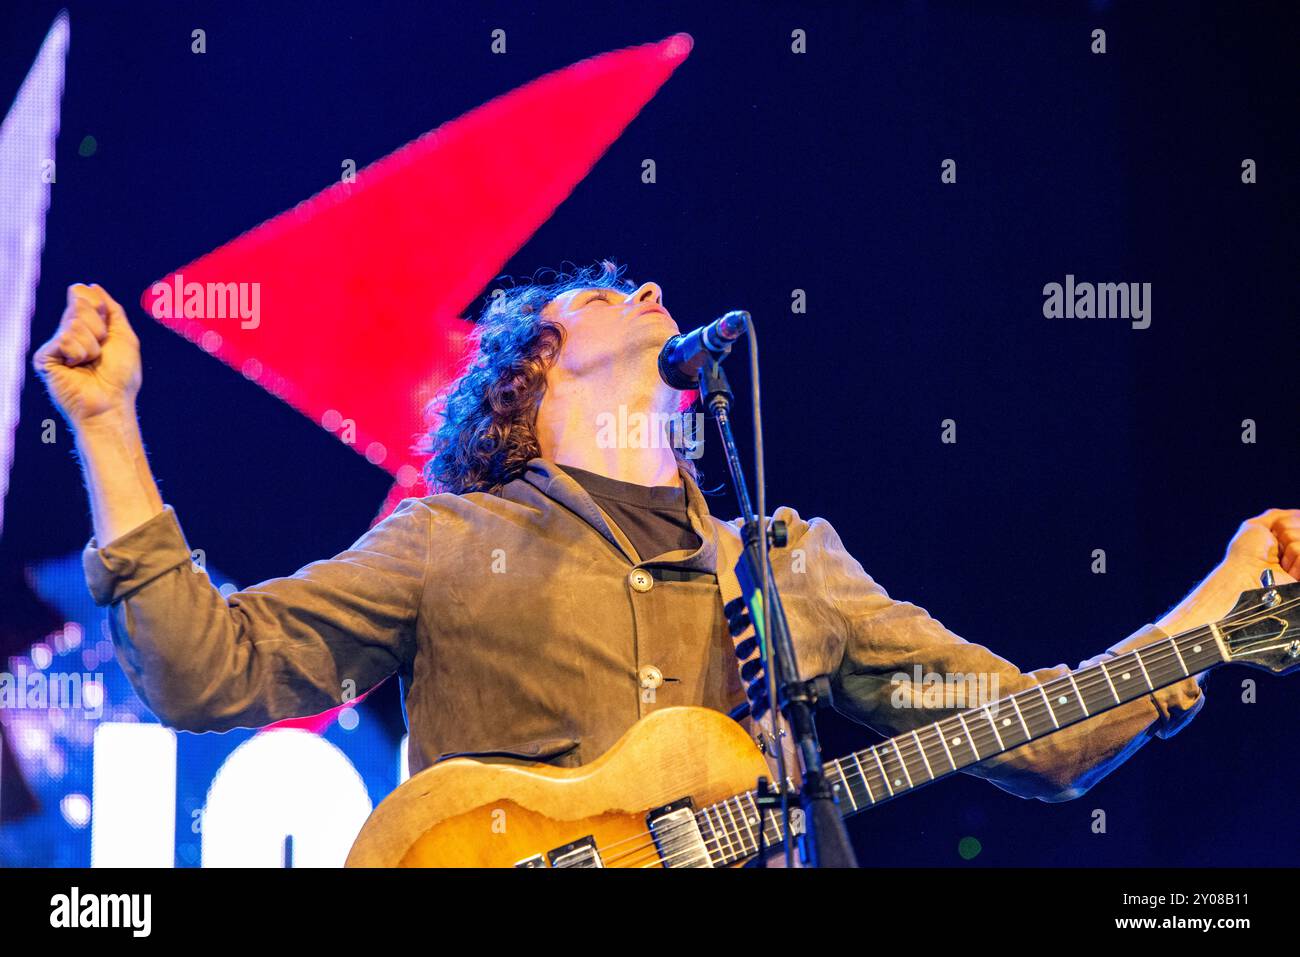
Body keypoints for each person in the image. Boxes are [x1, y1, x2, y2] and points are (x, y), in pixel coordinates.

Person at [32, 263, 1300, 811]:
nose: (647, 290)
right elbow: (208, 670)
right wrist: (108, 427)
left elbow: (1041, 737)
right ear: (530, 381)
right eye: (603, 292)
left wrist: (1221, 607)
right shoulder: (445, 542)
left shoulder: (786, 563)